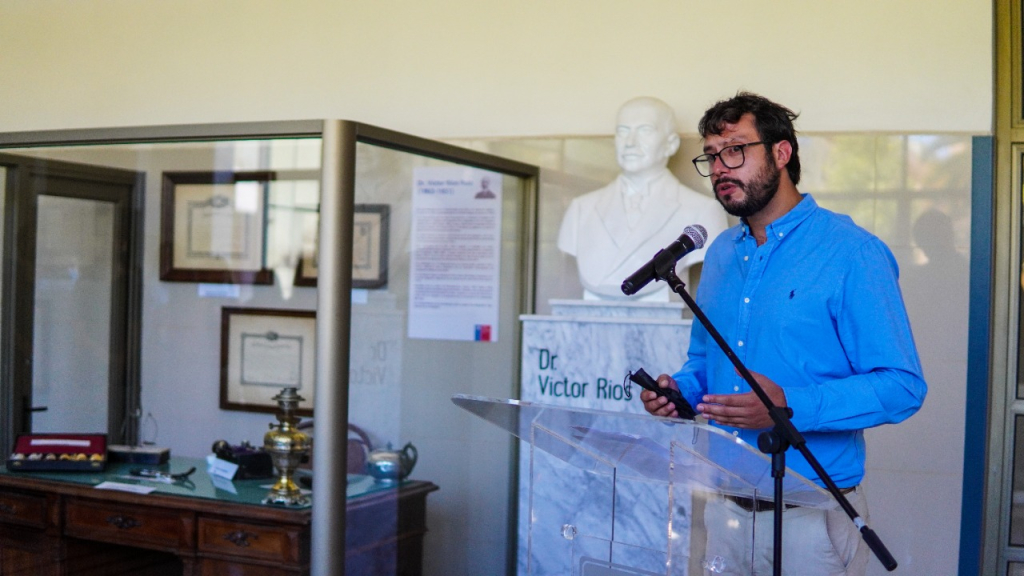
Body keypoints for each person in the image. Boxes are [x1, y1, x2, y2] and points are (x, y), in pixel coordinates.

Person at [640, 92, 927, 575]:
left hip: (810, 518)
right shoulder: (721, 254)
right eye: (711, 156)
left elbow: (903, 387)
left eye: (735, 150)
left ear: (781, 153)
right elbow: (705, 361)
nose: (720, 168)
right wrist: (680, 392)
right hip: (725, 510)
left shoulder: (852, 252)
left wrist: (787, 406)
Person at [557, 96, 728, 300]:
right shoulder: (580, 209)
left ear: (671, 144)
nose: (630, 143)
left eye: (645, 130)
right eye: (623, 131)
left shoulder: (704, 211)